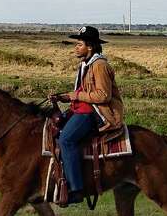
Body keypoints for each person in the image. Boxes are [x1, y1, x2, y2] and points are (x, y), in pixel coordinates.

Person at [50, 26, 125, 206]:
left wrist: (75, 96)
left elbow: (103, 96)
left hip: (98, 113)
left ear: (90, 47)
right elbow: (84, 92)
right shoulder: (86, 65)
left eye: (79, 44)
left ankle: (76, 189)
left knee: (66, 140)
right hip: (85, 108)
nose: (76, 47)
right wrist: (65, 97)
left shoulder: (99, 66)